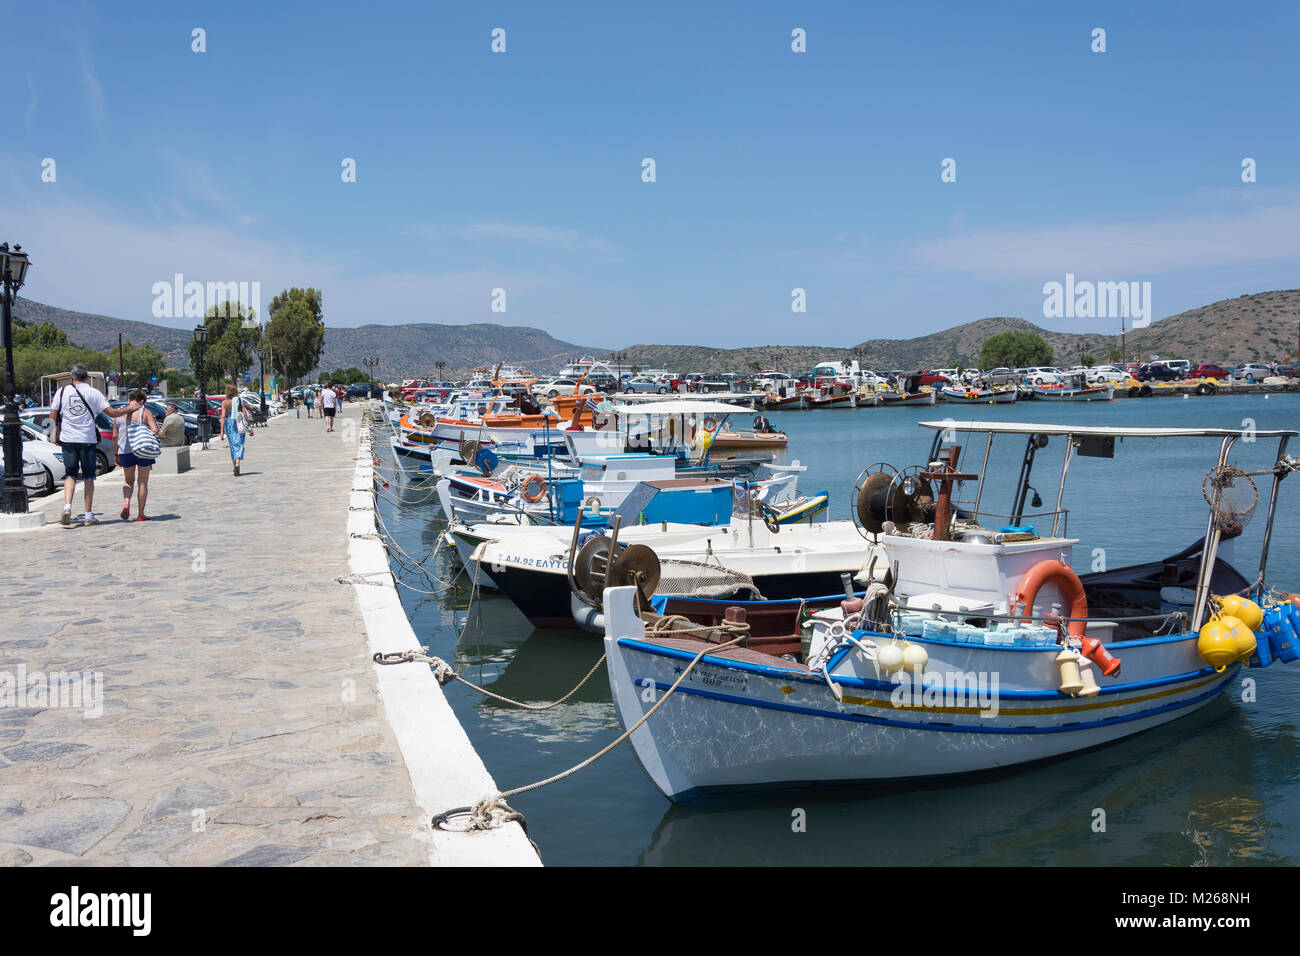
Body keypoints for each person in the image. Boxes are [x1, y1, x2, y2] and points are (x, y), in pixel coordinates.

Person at [49, 363, 141, 526]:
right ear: (87, 377)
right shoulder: (93, 393)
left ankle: (67, 507)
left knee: (70, 475)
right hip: (87, 440)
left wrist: (52, 433)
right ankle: (88, 515)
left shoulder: (61, 392)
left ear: (72, 377)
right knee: (89, 477)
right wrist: (129, 409)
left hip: (68, 439)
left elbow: (52, 415)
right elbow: (112, 413)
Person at [114, 388, 163, 521]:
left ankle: (126, 503)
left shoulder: (119, 414)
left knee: (128, 480)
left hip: (125, 451)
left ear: (130, 400)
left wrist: (116, 454)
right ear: (142, 401)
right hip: (142, 449)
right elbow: (154, 430)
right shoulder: (145, 412)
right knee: (142, 482)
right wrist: (159, 434)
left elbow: (115, 436)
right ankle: (141, 513)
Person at [219, 384, 250, 476]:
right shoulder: (239, 401)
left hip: (229, 424)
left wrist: (221, 432)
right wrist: (249, 425)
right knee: (240, 444)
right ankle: (237, 464)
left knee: (233, 445)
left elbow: (223, 416)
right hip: (239, 423)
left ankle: (235, 466)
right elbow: (244, 414)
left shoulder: (224, 402)